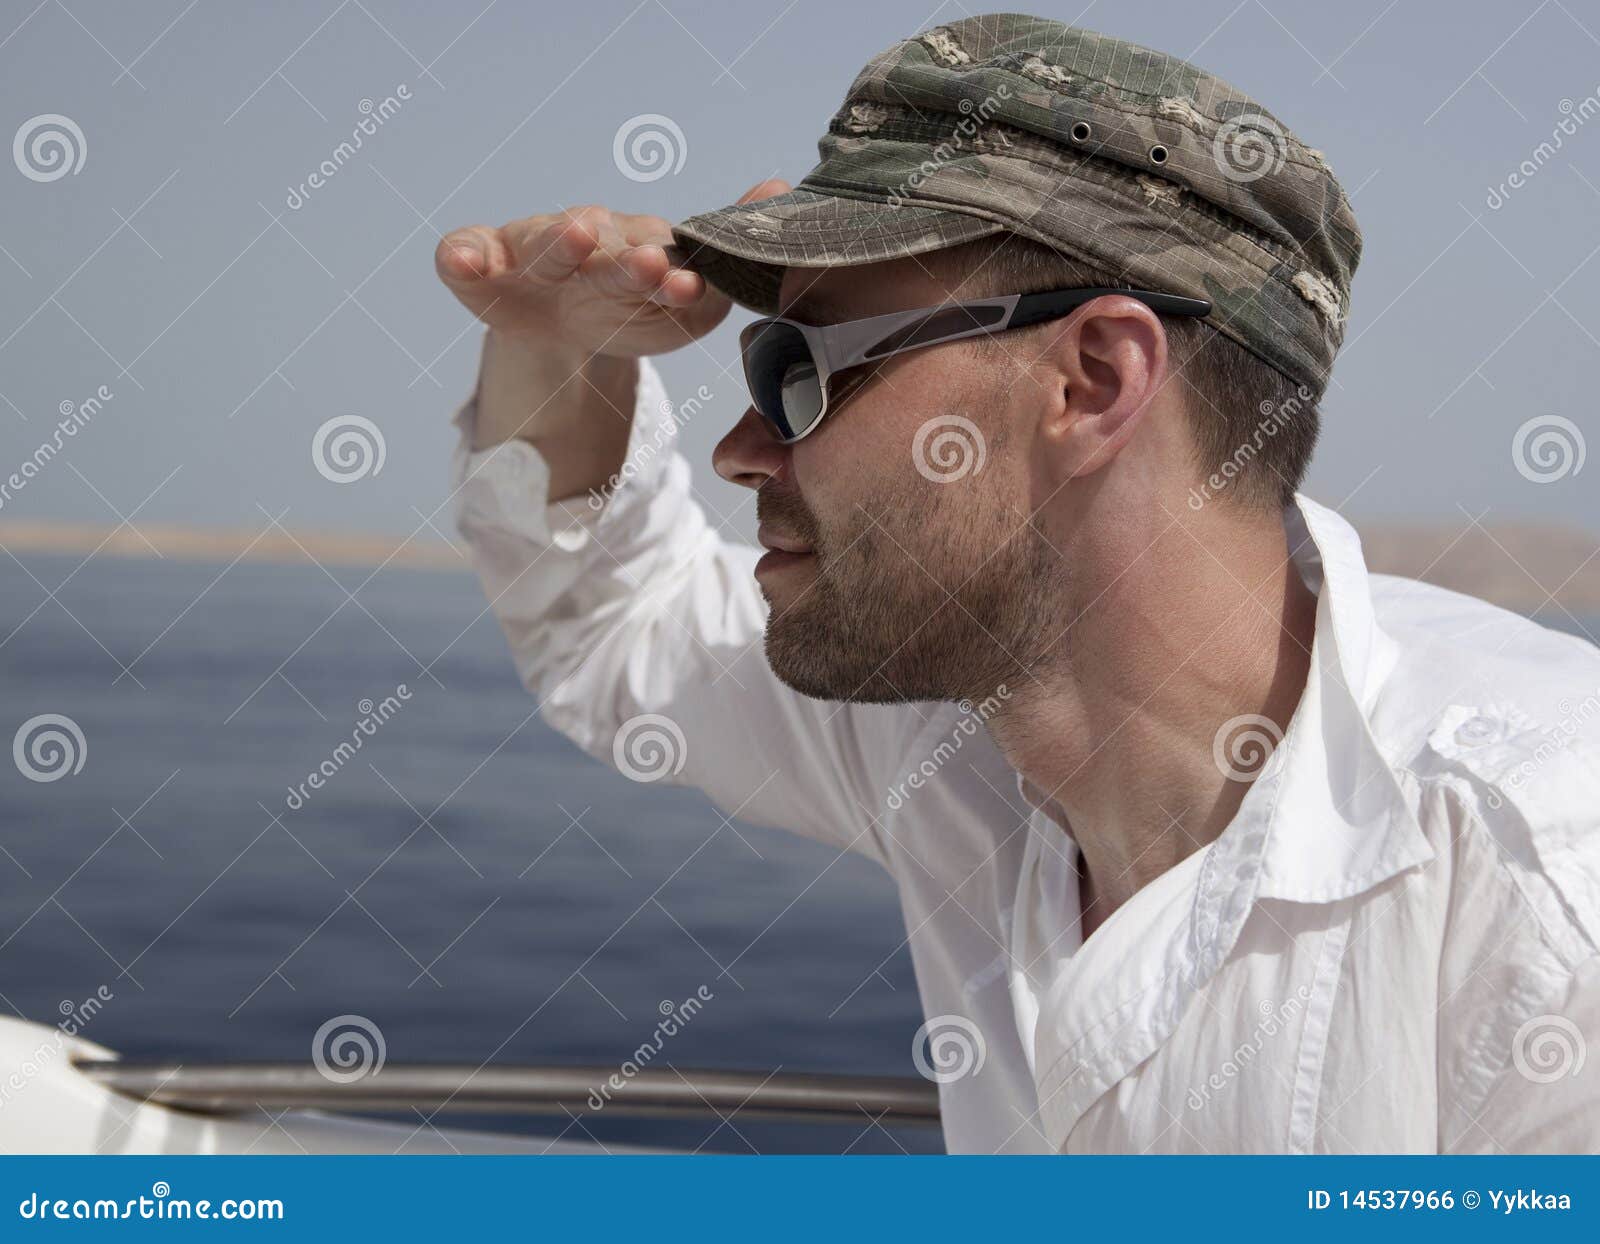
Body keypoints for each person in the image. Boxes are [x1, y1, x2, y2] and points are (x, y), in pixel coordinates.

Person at [433, 15, 1600, 1153]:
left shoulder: (1544, 879)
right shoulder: (960, 724)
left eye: (800, 367)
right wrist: (558, 342)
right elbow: (617, 629)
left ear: (1091, 382)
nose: (741, 449)